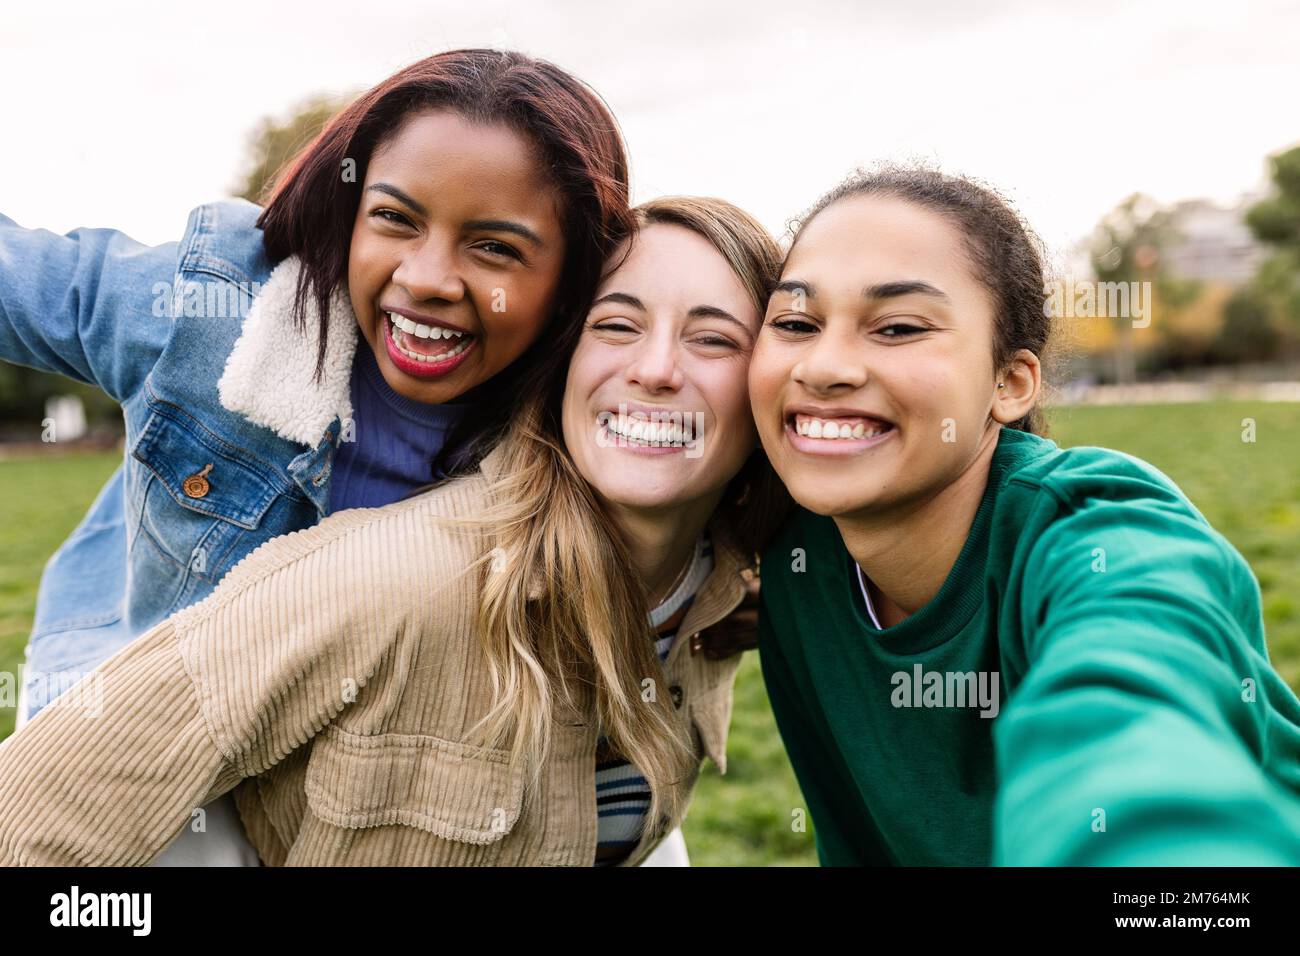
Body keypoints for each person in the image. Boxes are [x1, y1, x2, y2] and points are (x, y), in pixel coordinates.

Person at [0, 196, 790, 866]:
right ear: (561, 364)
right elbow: (35, 812)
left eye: (714, 337)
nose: (655, 368)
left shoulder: (729, 582)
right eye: (616, 325)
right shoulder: (387, 581)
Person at [0, 49, 632, 864]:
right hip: (146, 733)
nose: (428, 278)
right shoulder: (215, 318)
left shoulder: (589, 416)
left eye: (496, 249)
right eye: (396, 219)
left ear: (574, 276)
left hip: (352, 762)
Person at [747, 165, 1300, 866]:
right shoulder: (801, 569)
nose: (824, 366)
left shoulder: (1099, 529)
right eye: (795, 322)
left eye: (897, 327)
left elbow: (1134, 703)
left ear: (1009, 384)